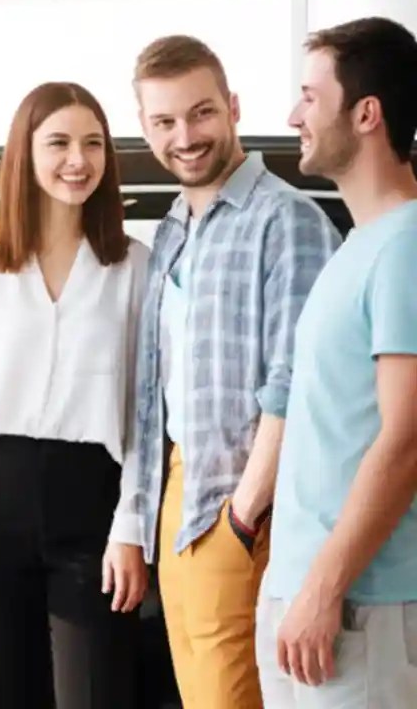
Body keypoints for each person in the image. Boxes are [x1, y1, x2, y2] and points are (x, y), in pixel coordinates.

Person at [118, 35, 341, 708]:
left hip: (246, 507)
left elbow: (297, 381)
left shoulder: (287, 221)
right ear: (147, 129)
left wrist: (243, 516)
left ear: (233, 107)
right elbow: (153, 395)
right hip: (180, 499)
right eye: (164, 122)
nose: (184, 136)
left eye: (201, 113)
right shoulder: (174, 232)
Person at [0, 81, 150, 709]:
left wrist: (131, 526)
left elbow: (144, 411)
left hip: (93, 503)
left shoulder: (133, 267)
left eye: (93, 143)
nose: (79, 159)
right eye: (60, 143)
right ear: (25, 153)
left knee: (99, 693)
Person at [256, 16, 417, 708]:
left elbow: (406, 440)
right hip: (311, 602)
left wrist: (324, 588)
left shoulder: (406, 248)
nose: (294, 115)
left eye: (309, 97)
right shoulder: (361, 246)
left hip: (358, 607)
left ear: (367, 113)